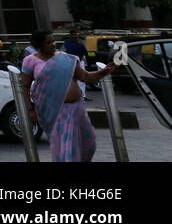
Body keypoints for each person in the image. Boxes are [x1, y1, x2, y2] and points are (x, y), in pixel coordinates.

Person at [20, 29, 115, 162]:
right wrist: (30, 110)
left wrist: (103, 72)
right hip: (55, 111)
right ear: (39, 45)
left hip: (77, 108)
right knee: (66, 149)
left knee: (89, 143)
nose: (53, 44)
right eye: (48, 42)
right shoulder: (30, 61)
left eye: (53, 41)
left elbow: (85, 77)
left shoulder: (66, 59)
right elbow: (25, 87)